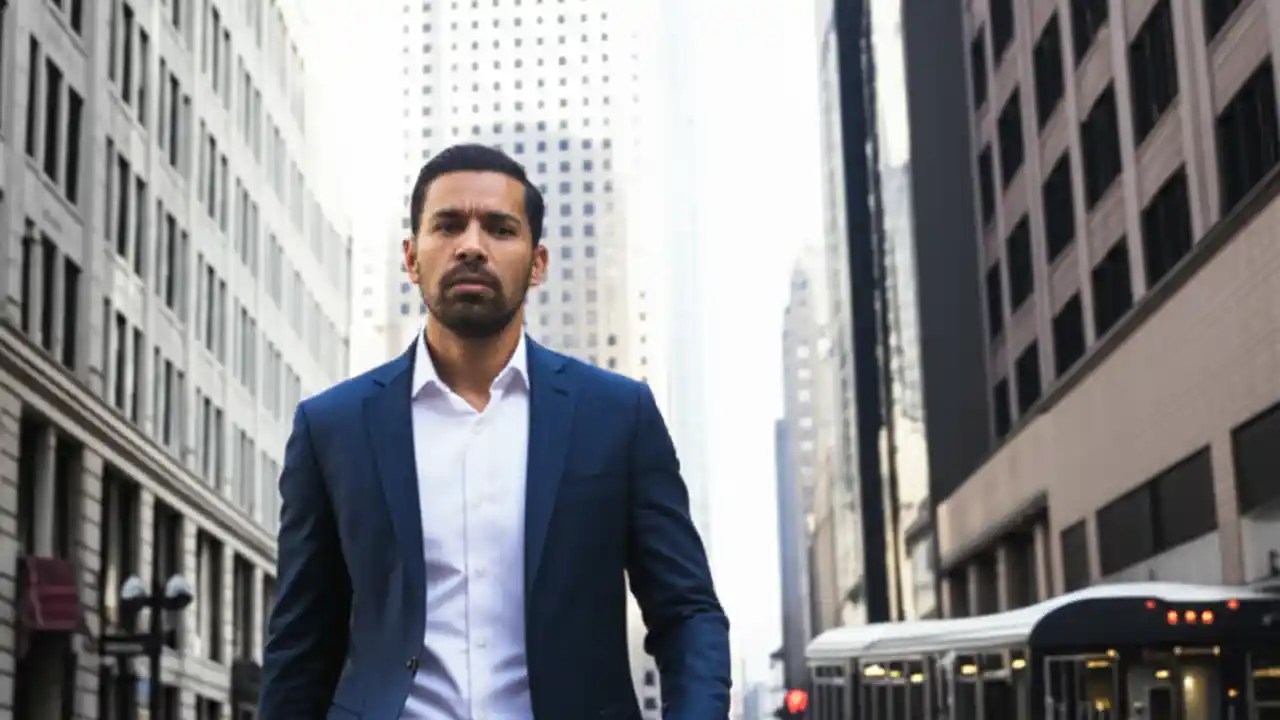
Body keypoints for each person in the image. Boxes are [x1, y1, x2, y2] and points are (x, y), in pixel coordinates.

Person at [259, 144, 730, 719]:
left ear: (537, 263)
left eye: (501, 229)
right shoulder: (331, 427)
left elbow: (686, 612)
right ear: (411, 257)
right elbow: (300, 643)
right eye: (448, 225)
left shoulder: (617, 416)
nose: (472, 246)